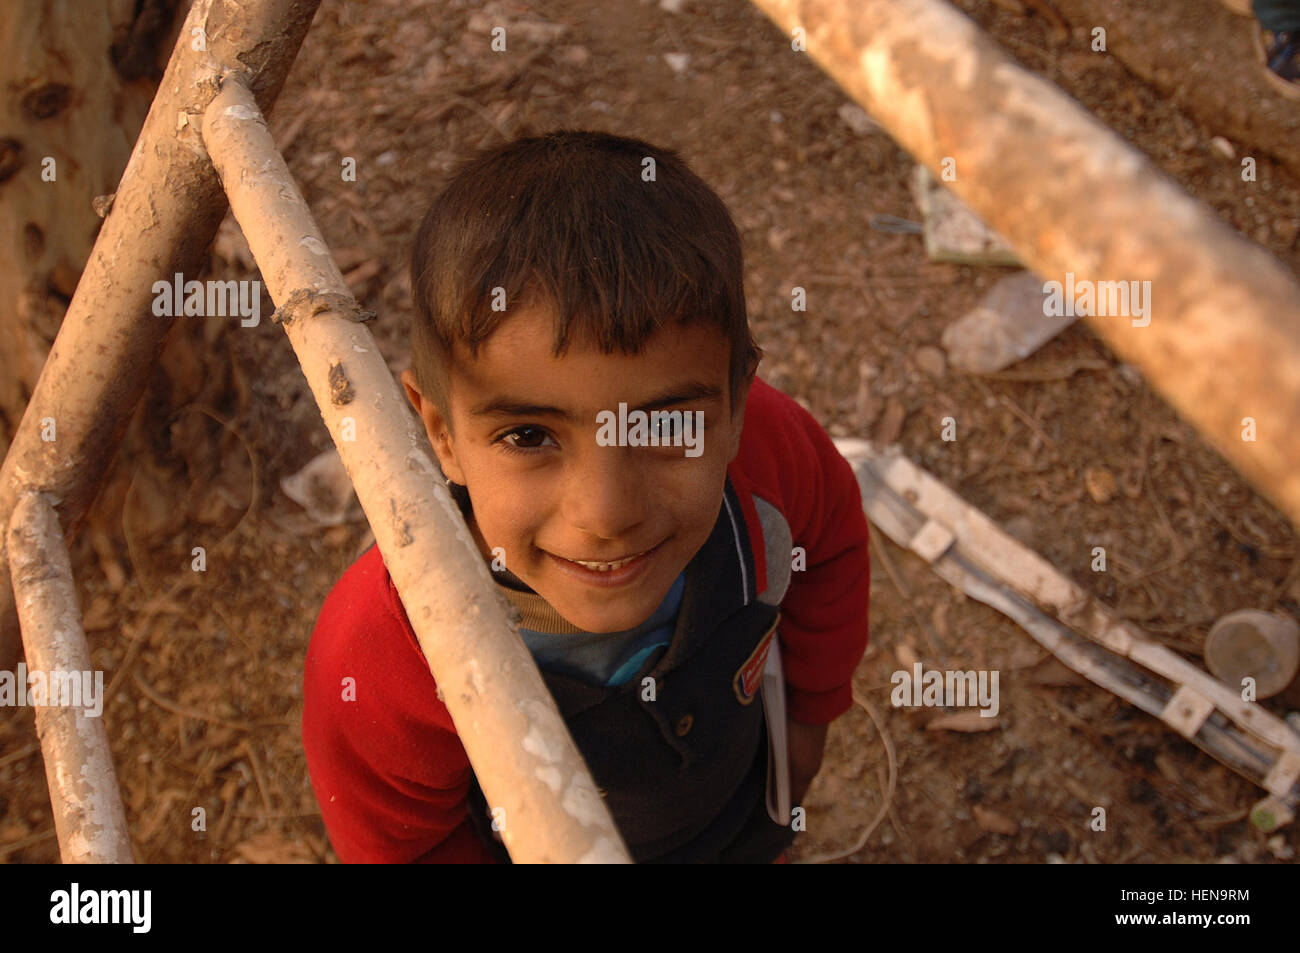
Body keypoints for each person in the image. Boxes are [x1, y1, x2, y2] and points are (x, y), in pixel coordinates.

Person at [301, 130, 871, 863]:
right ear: (442, 433)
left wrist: (807, 726)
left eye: (663, 425)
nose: (606, 513)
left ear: (735, 406)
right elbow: (407, 848)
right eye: (529, 436)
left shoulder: (773, 456)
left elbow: (832, 543)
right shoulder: (385, 652)